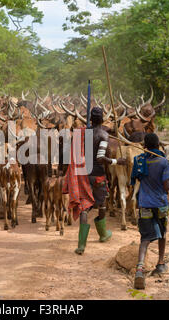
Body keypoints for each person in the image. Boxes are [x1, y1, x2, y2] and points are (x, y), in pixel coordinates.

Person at [131, 132, 169, 289]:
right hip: (160, 205)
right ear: (158, 145)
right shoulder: (163, 162)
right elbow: (167, 186)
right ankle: (160, 263)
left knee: (145, 237)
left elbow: (136, 180)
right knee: (162, 233)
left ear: (145, 145)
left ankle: (139, 269)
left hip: (145, 204)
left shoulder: (139, 160)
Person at [74, 106, 127, 255]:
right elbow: (100, 158)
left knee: (84, 207)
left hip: (84, 174)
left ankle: (81, 245)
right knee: (102, 203)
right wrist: (118, 161)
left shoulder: (84, 134)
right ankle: (103, 235)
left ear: (90, 119)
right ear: (102, 119)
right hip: (98, 174)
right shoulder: (104, 135)